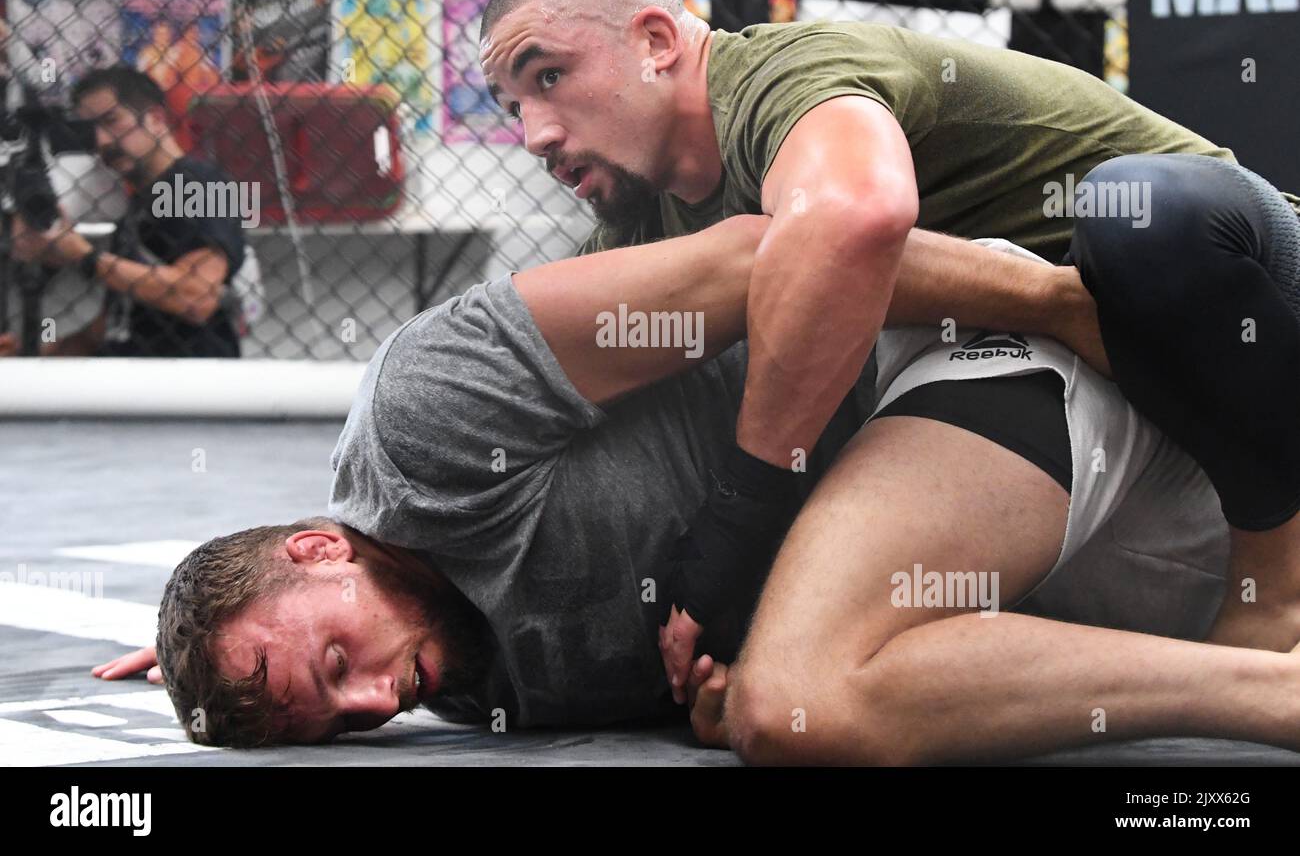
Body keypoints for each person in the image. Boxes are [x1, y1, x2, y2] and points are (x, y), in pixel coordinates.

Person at [94, 217, 1299, 761]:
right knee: (779, 699)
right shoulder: (450, 683)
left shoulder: (427, 423)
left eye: (334, 662)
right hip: (1034, 543)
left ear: (317, 546)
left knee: (799, 700)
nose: (369, 702)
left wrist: (1061, 305)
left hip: (977, 377)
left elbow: (771, 257)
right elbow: (283, 628)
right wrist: (210, 650)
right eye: (334, 718)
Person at [474, 0, 1300, 694]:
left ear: (657, 42)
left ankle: (1280, 586)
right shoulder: (639, 224)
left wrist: (739, 524)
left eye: (548, 76)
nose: (536, 134)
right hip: (1126, 420)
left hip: (1252, 289)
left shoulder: (778, 79)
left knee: (1138, 213)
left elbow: (857, 215)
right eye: (513, 108)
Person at [0, 66, 246, 357]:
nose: (102, 141)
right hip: (133, 380)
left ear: (155, 119)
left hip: (184, 387)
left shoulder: (197, 182)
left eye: (112, 120)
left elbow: (196, 297)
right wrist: (32, 356)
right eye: (92, 129)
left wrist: (81, 254)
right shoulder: (136, 204)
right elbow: (111, 326)